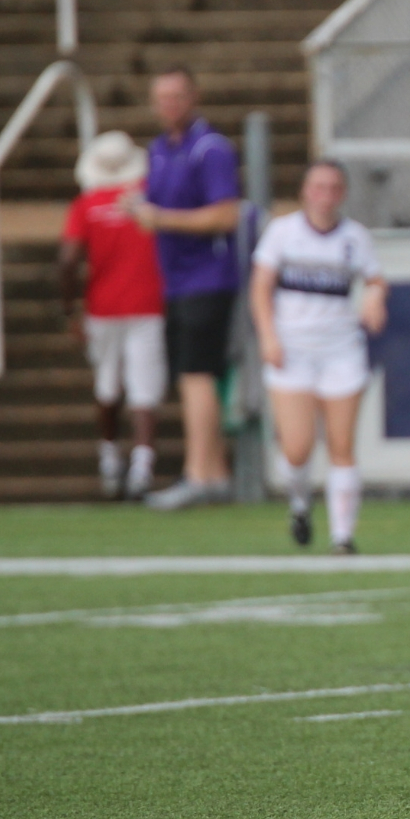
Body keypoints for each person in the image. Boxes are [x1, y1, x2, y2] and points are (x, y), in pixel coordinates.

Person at [248, 160, 387, 554]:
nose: (325, 196)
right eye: (318, 187)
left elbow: (375, 280)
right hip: (292, 350)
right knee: (297, 448)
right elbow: (260, 288)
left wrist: (375, 297)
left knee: (341, 444)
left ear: (342, 194)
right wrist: (269, 336)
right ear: (305, 192)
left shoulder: (355, 238)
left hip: (341, 350)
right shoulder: (282, 233)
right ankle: (299, 502)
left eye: (333, 188)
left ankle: (342, 536)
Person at [129, 66, 243, 510]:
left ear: (193, 97)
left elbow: (224, 214)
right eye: (162, 97)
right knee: (191, 374)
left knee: (197, 374)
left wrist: (162, 219)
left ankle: (198, 474)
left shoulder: (209, 149)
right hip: (175, 279)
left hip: (206, 277)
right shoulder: (159, 150)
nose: (169, 105)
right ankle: (214, 472)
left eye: (177, 96)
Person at [58, 131, 165, 499]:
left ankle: (109, 459)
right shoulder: (149, 197)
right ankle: (142, 465)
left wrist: (69, 306)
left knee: (107, 383)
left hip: (103, 307)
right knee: (143, 386)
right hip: (147, 302)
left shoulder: (86, 204)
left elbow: (68, 259)